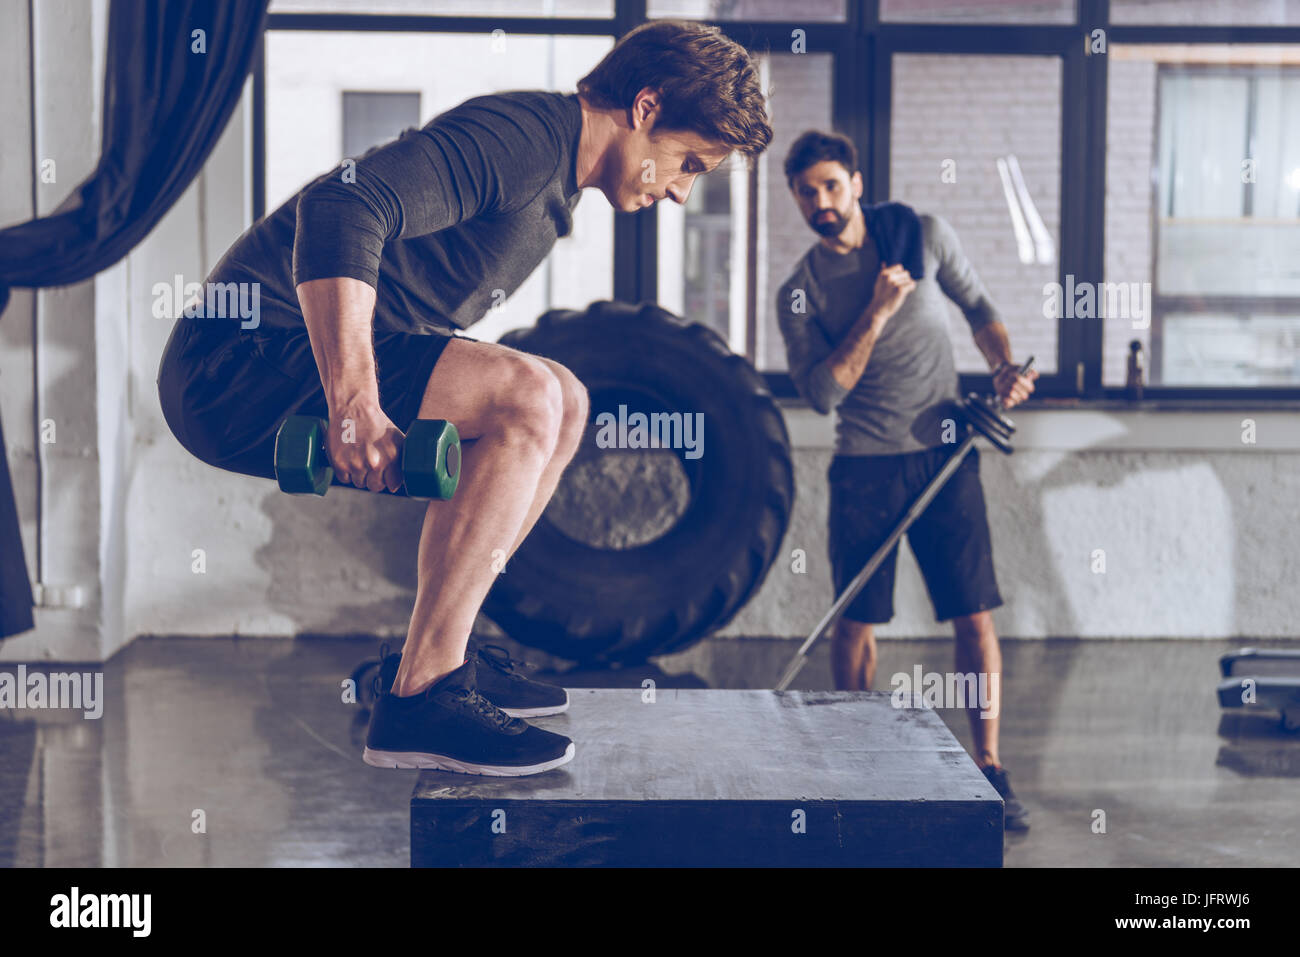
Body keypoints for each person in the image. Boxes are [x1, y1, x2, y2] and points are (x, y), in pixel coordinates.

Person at [156, 20, 772, 776]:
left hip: (269, 359)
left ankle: (440, 656)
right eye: (687, 163)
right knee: (532, 397)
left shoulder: (554, 181)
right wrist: (353, 401)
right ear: (645, 108)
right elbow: (340, 209)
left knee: (566, 401)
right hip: (232, 361)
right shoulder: (525, 136)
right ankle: (425, 693)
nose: (680, 190)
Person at [775, 130, 1036, 829]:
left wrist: (1004, 366)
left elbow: (980, 309)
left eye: (831, 185)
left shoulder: (921, 235)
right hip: (863, 463)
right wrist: (878, 310)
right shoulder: (798, 293)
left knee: (973, 613)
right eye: (806, 191)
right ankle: (857, 763)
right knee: (856, 619)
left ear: (857, 183)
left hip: (946, 453)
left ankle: (988, 765)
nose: (820, 202)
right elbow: (825, 394)